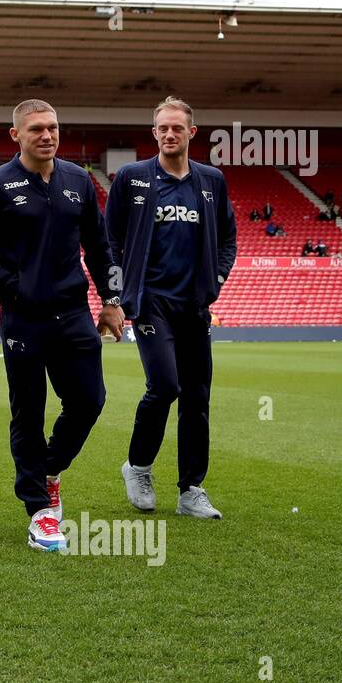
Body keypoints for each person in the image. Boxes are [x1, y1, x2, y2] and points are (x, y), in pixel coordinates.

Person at [0, 98, 122, 551]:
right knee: (28, 412)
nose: (47, 135)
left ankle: (49, 470)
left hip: (73, 314)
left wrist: (111, 299)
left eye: (52, 127)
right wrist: (12, 289)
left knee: (90, 401)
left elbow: (99, 245)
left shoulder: (78, 180)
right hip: (24, 319)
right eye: (36, 129)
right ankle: (39, 510)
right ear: (16, 135)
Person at [106, 96, 236, 521]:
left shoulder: (211, 181)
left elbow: (227, 240)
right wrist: (118, 296)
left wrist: (214, 283)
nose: (169, 134)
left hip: (194, 307)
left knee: (197, 398)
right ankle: (138, 467)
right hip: (150, 303)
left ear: (191, 133)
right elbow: (110, 242)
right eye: (162, 128)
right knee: (165, 386)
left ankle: (191, 490)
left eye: (177, 128)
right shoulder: (132, 178)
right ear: (154, 132)